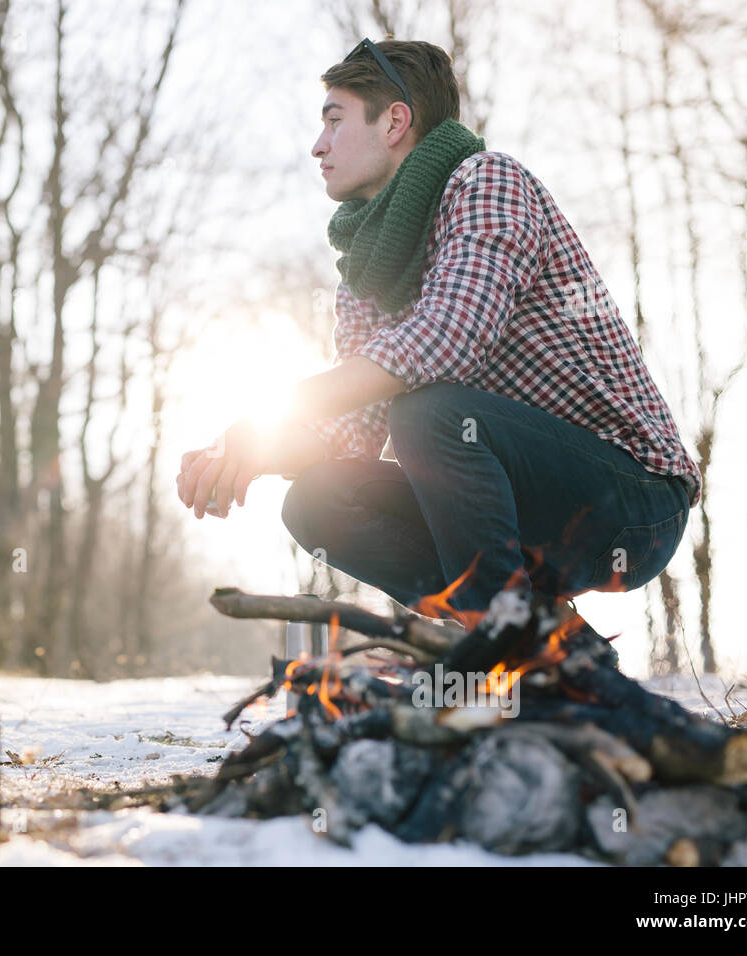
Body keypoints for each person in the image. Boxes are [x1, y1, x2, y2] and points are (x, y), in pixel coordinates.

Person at [175, 37, 700, 621]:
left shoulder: (489, 183)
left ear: (395, 121)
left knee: (429, 411)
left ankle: (497, 650)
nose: (317, 146)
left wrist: (267, 412)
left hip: (632, 500)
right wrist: (250, 451)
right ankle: (551, 648)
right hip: (512, 505)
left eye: (334, 120)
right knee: (320, 498)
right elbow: (350, 438)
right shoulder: (366, 274)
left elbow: (446, 341)